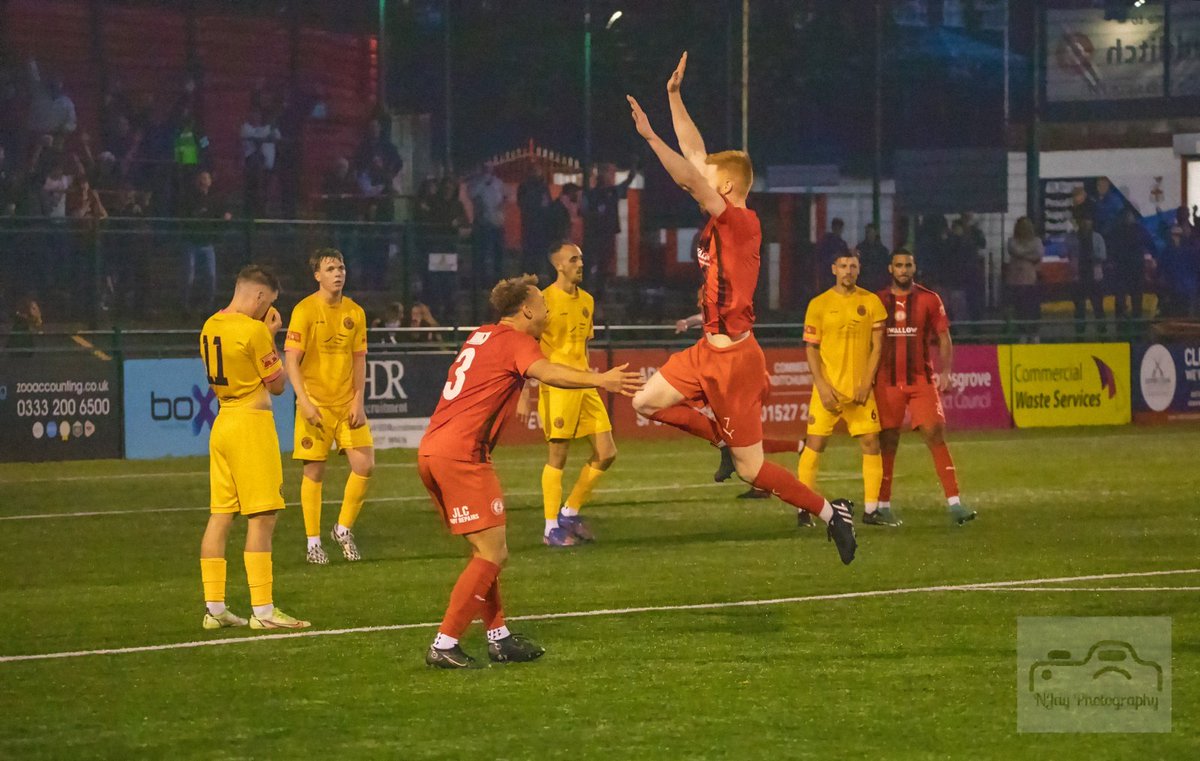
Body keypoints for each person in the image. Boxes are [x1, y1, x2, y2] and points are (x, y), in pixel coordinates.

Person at [625, 52, 856, 564]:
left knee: (754, 471)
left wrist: (651, 137)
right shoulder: (722, 212)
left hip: (734, 361)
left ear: (726, 187)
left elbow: (689, 175)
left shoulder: (740, 221)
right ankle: (724, 443)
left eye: (711, 178)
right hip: (706, 351)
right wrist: (673, 97)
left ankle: (830, 512)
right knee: (645, 402)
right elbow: (696, 155)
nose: (702, 177)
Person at [418, 274, 643, 668]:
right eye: (542, 304)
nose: (547, 311)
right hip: (462, 455)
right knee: (493, 553)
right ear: (525, 310)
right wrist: (600, 379)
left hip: (432, 450)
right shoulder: (517, 341)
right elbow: (549, 372)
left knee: (485, 553)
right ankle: (445, 642)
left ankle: (499, 638)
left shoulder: (481, 335)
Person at [198, 265, 309, 631]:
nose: (268, 310)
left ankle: (215, 608)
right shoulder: (253, 330)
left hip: (222, 422)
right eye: (269, 303)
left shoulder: (210, 325)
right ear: (260, 296)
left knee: (220, 515)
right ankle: (263, 612)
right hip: (250, 426)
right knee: (262, 517)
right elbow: (277, 384)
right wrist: (269, 336)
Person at [515, 243, 616, 546]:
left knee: (607, 452)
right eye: (573, 260)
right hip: (557, 386)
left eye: (581, 258)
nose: (580, 264)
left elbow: (584, 344)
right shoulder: (543, 300)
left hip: (584, 383)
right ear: (559, 265)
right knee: (558, 456)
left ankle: (569, 512)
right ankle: (550, 529)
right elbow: (525, 348)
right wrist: (524, 393)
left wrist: (591, 377)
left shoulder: (587, 300)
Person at [285, 248, 375, 565]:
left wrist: (358, 399)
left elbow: (359, 359)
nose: (338, 273)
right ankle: (313, 543)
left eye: (341, 267)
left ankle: (342, 529)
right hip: (316, 404)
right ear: (317, 275)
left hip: (346, 403)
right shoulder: (304, 310)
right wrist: (304, 400)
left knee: (365, 465)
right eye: (330, 269)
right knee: (314, 470)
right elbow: (291, 360)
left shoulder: (355, 312)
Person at [874, 250, 976, 527]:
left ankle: (955, 503)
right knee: (888, 439)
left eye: (908, 265)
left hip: (921, 380)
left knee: (934, 433)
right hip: (887, 381)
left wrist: (946, 372)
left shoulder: (930, 299)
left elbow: (944, 336)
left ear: (914, 268)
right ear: (890, 269)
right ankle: (882, 505)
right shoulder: (878, 300)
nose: (903, 269)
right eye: (899, 265)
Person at [796, 252, 887, 527]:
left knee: (871, 442)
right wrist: (822, 387)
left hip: (859, 391)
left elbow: (877, 347)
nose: (848, 270)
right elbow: (811, 349)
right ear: (834, 269)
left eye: (853, 266)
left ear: (859, 270)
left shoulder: (871, 302)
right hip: (828, 390)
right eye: (844, 266)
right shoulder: (819, 304)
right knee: (815, 444)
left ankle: (871, 511)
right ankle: (803, 510)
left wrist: (866, 382)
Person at [1063, 215, 1107, 334]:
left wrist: (1091, 257)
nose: (1085, 223)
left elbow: (1103, 255)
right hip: (1078, 277)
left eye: (1087, 220)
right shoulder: (1072, 237)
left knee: (1098, 307)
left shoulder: (1097, 237)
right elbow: (1064, 252)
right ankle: (1080, 334)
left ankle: (1102, 333)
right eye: (1082, 220)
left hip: (1095, 277)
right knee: (1079, 309)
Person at [1004, 216, 1043, 342]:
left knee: (1032, 309)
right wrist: (1030, 255)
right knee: (1019, 309)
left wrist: (1023, 255)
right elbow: (1015, 250)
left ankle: (1034, 333)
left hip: (1030, 280)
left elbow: (1039, 253)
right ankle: (1022, 333)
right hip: (1015, 280)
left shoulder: (1037, 241)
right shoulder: (1012, 241)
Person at [856, 223, 890, 291]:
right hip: (864, 282)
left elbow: (885, 267)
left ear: (875, 233)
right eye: (868, 232)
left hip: (878, 283)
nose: (869, 235)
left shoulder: (882, 250)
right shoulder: (860, 248)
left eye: (871, 232)